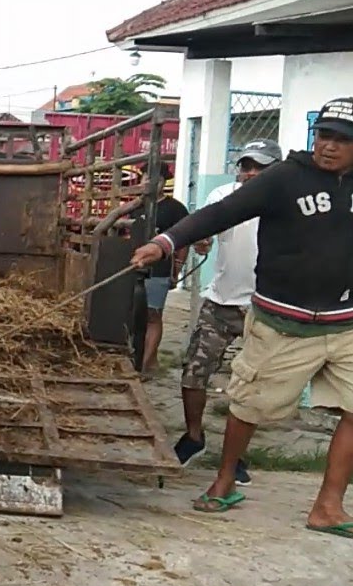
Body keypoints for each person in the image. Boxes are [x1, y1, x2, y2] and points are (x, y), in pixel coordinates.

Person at [130, 96, 353, 537]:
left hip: (346, 322)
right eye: (324, 135)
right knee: (248, 407)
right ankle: (224, 481)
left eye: (343, 140)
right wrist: (166, 242)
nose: (330, 146)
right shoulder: (284, 179)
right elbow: (220, 213)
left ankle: (328, 505)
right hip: (283, 323)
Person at [172, 139, 283, 486]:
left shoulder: (287, 202)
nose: (251, 173)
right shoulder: (223, 196)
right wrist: (200, 242)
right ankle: (194, 437)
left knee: (247, 388)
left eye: (260, 167)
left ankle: (235, 457)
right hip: (221, 302)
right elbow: (204, 227)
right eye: (246, 165)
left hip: (263, 307)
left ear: (276, 170)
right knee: (194, 372)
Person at [131, 161, 189, 374]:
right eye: (145, 177)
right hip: (133, 267)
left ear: (164, 182)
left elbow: (183, 242)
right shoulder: (135, 206)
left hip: (159, 270)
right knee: (134, 314)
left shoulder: (175, 209)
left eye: (153, 178)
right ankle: (144, 358)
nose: (147, 181)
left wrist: (177, 269)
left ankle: (145, 364)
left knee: (153, 314)